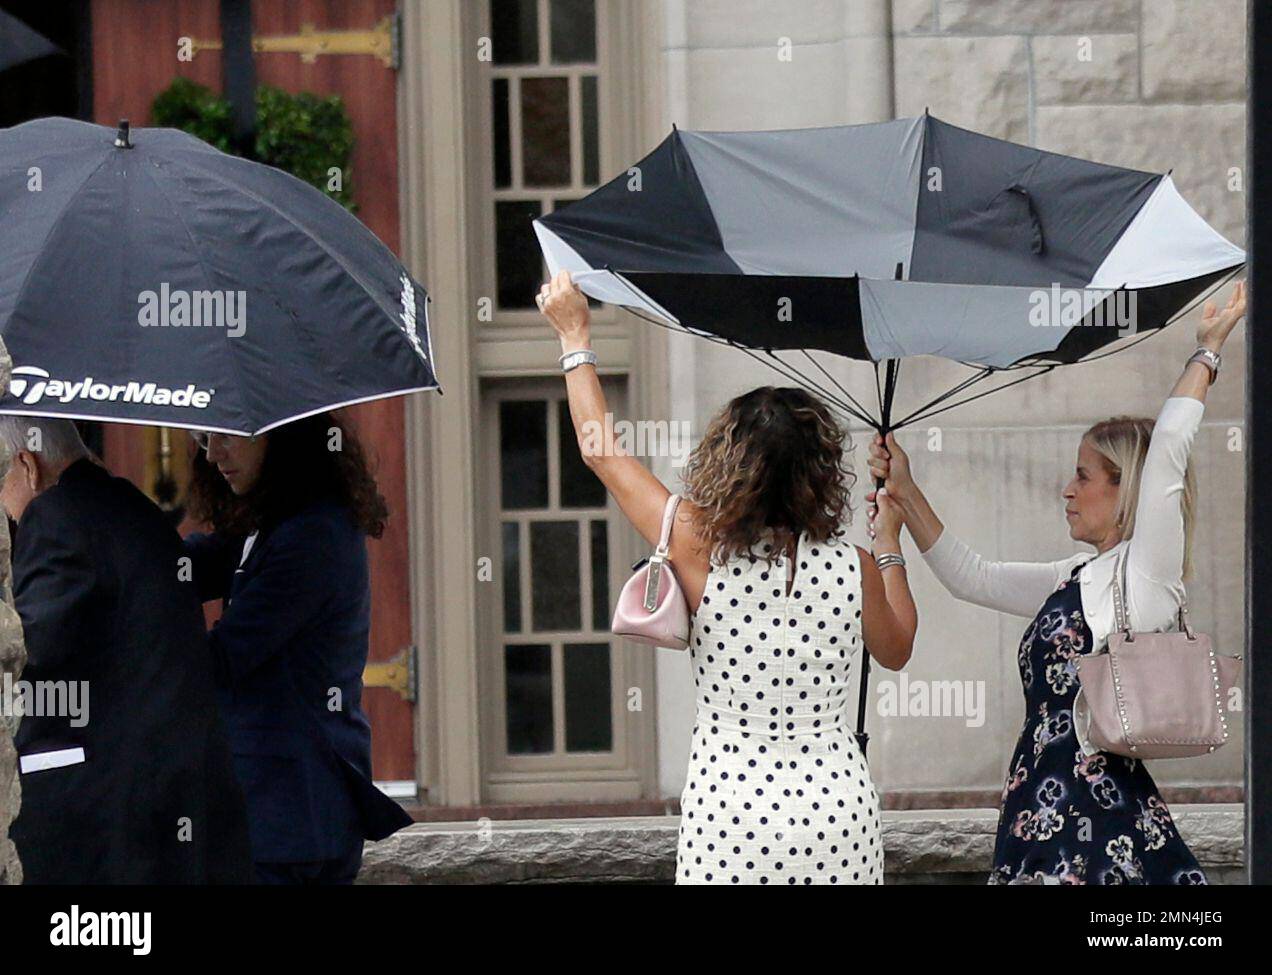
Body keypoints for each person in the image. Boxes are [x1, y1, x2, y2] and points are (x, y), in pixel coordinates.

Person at [537, 270, 917, 885]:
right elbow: (897, 649)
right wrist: (889, 544)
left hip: (730, 822)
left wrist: (574, 334)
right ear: (819, 475)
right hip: (839, 819)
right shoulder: (855, 566)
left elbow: (599, 449)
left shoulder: (695, 545)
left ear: (726, 464)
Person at [867, 281, 1247, 885]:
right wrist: (907, 493)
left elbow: (1170, 445)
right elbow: (974, 577)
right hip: (1038, 809)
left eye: (1084, 476)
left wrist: (1205, 352)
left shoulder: (1149, 570)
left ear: (1129, 490)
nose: (1067, 491)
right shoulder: (1075, 578)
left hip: (1098, 822)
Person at [2, 416, 252, 884]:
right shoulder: (126, 504)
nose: (5, 508)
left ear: (27, 465)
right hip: (171, 810)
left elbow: (29, 654)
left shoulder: (56, 516)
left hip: (109, 825)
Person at [183, 413, 412, 885]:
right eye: (207, 437)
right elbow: (195, 564)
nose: (213, 452)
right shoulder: (276, 522)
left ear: (281, 433)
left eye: (228, 433)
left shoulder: (311, 535)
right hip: (288, 816)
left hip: (288, 822)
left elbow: (223, 658)